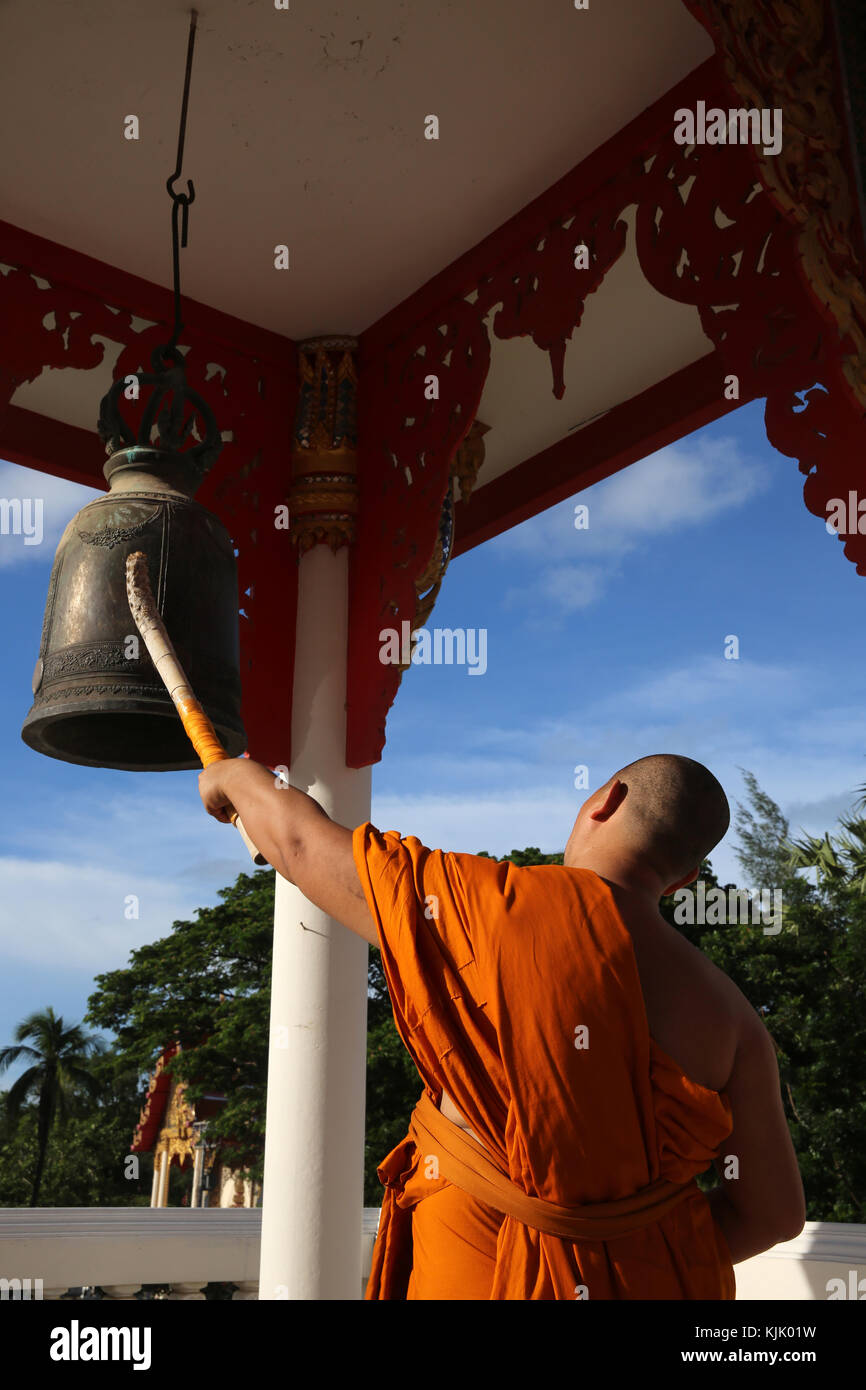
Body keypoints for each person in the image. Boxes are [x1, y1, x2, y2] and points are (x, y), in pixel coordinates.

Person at [198, 751, 805, 1300]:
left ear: (606, 802)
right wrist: (623, 1255)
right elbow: (774, 1215)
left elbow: (303, 846)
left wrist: (236, 775)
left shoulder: (492, 907)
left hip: (472, 1272)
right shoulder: (734, 1021)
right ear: (683, 881)